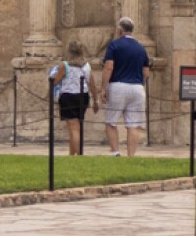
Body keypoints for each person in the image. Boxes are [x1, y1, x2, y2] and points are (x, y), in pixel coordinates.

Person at [100, 17, 150, 157]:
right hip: (137, 87)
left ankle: (115, 152)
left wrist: (104, 88)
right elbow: (146, 72)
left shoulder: (115, 45)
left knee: (111, 121)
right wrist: (140, 83)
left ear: (120, 30)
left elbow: (109, 66)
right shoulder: (141, 48)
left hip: (118, 85)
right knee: (134, 124)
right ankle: (131, 155)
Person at [49, 40, 92, 155]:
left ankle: (78, 155)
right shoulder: (87, 65)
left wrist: (52, 76)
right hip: (83, 96)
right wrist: (96, 100)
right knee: (76, 126)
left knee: (73, 127)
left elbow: (56, 81)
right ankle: (71, 154)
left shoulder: (65, 65)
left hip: (69, 96)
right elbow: (91, 83)